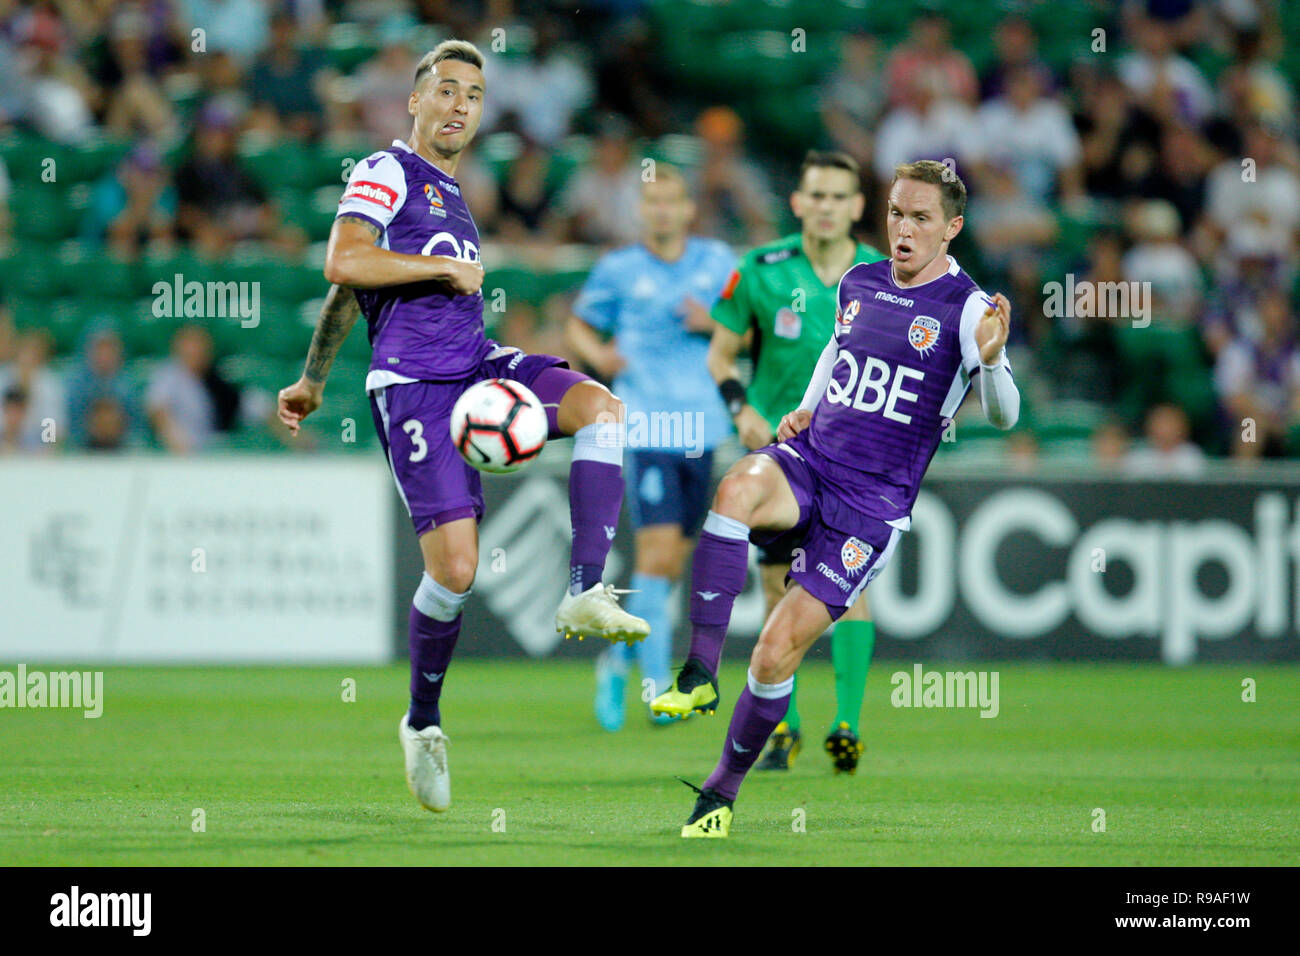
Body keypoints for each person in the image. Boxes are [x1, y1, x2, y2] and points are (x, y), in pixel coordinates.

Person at [275, 40, 649, 815]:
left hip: (478, 369)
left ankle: (583, 591)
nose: (459, 106)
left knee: (601, 410)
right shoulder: (385, 171)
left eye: (473, 96)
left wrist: (313, 377)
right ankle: (422, 721)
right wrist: (439, 271)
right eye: (445, 90)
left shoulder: (452, 189)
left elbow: (354, 291)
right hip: (414, 389)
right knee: (454, 572)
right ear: (414, 102)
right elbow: (344, 261)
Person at [657, 160, 1020, 837]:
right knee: (735, 488)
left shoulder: (968, 307)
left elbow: (1005, 416)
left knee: (773, 655)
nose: (904, 229)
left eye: (920, 219)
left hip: (871, 504)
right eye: (896, 214)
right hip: (812, 459)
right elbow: (835, 348)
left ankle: (719, 795)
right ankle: (701, 669)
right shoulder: (861, 280)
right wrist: (804, 407)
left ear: (952, 228)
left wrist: (995, 360)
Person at [698, 150, 886, 774]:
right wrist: (739, 410)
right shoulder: (760, 269)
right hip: (782, 458)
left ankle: (848, 724)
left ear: (858, 207)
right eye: (817, 196)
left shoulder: (884, 277)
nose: (827, 207)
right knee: (781, 585)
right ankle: (787, 726)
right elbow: (721, 358)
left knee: (846, 584)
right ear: (798, 202)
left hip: (858, 460)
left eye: (840, 197)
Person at [565, 165, 736, 732]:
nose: (662, 211)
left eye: (671, 201)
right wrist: (600, 357)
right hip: (646, 427)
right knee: (657, 558)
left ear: (688, 209)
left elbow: (752, 328)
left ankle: (615, 662)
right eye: (652, 202)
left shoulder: (717, 262)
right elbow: (578, 329)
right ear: (642, 211)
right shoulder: (618, 269)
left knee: (673, 564)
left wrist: (714, 322)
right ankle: (659, 689)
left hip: (703, 430)